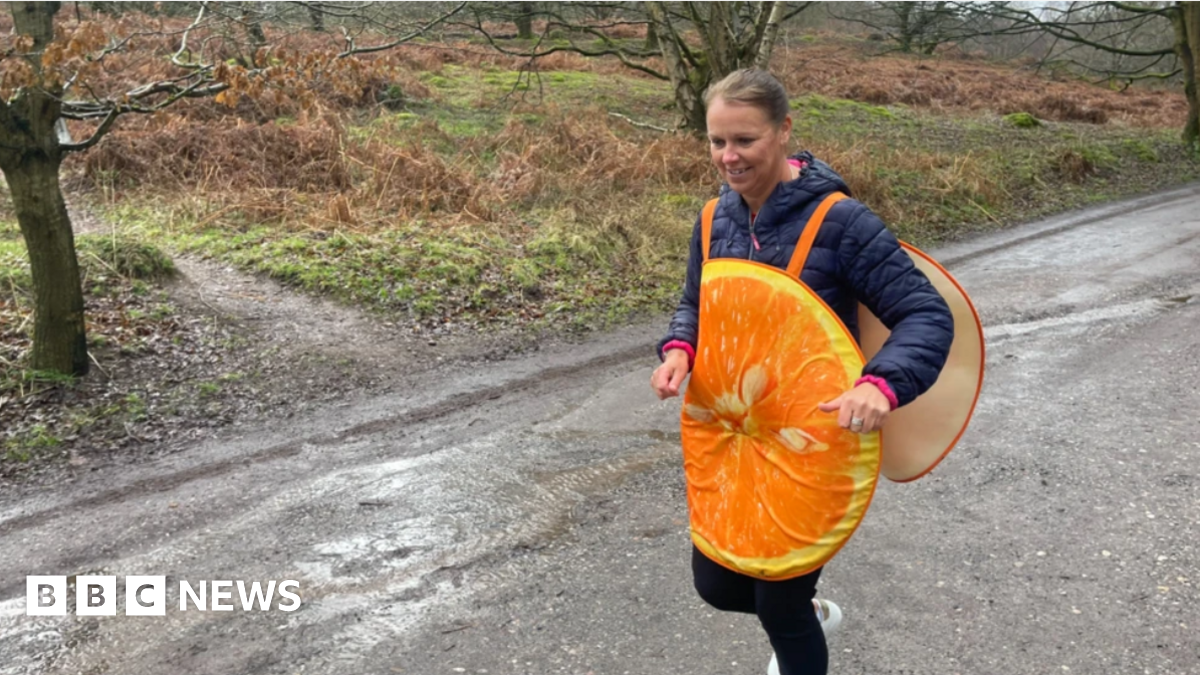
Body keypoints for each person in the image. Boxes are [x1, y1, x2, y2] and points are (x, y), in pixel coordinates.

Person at [649, 69, 954, 675]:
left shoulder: (842, 222)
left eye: (745, 140)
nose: (728, 157)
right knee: (719, 586)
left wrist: (881, 383)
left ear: (784, 131)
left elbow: (924, 314)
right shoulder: (713, 220)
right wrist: (681, 347)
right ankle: (809, 618)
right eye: (717, 142)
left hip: (813, 443)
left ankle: (798, 629)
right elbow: (696, 303)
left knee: (780, 604)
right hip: (735, 439)